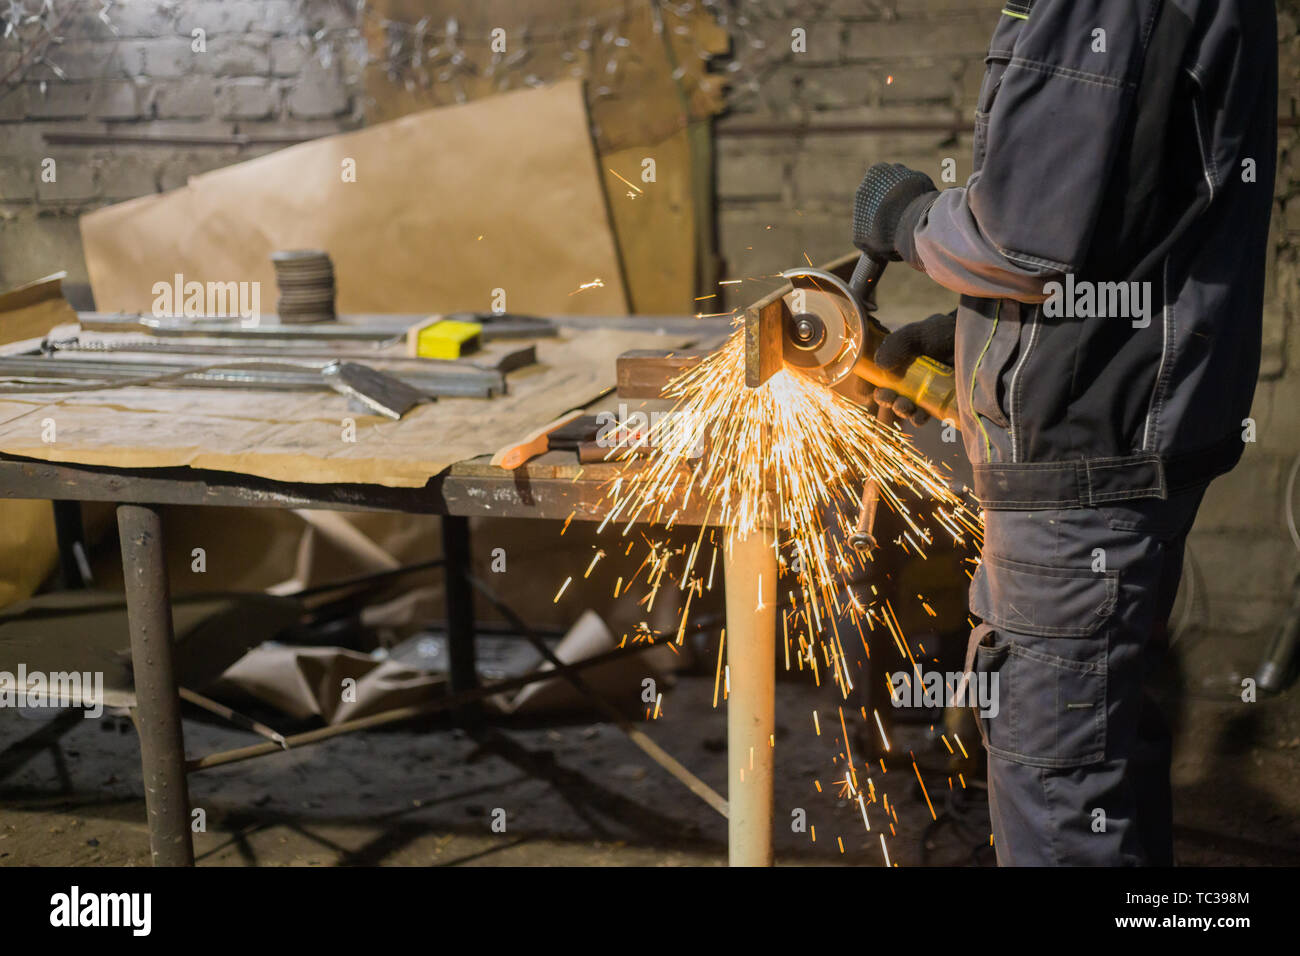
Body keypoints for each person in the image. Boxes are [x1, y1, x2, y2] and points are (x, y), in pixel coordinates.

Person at [852, 0, 1278, 865]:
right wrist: (969, 333)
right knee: (1102, 765)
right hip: (1131, 438)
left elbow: (1022, 238)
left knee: (1058, 800)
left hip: (1083, 471)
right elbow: (1126, 213)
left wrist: (907, 219)